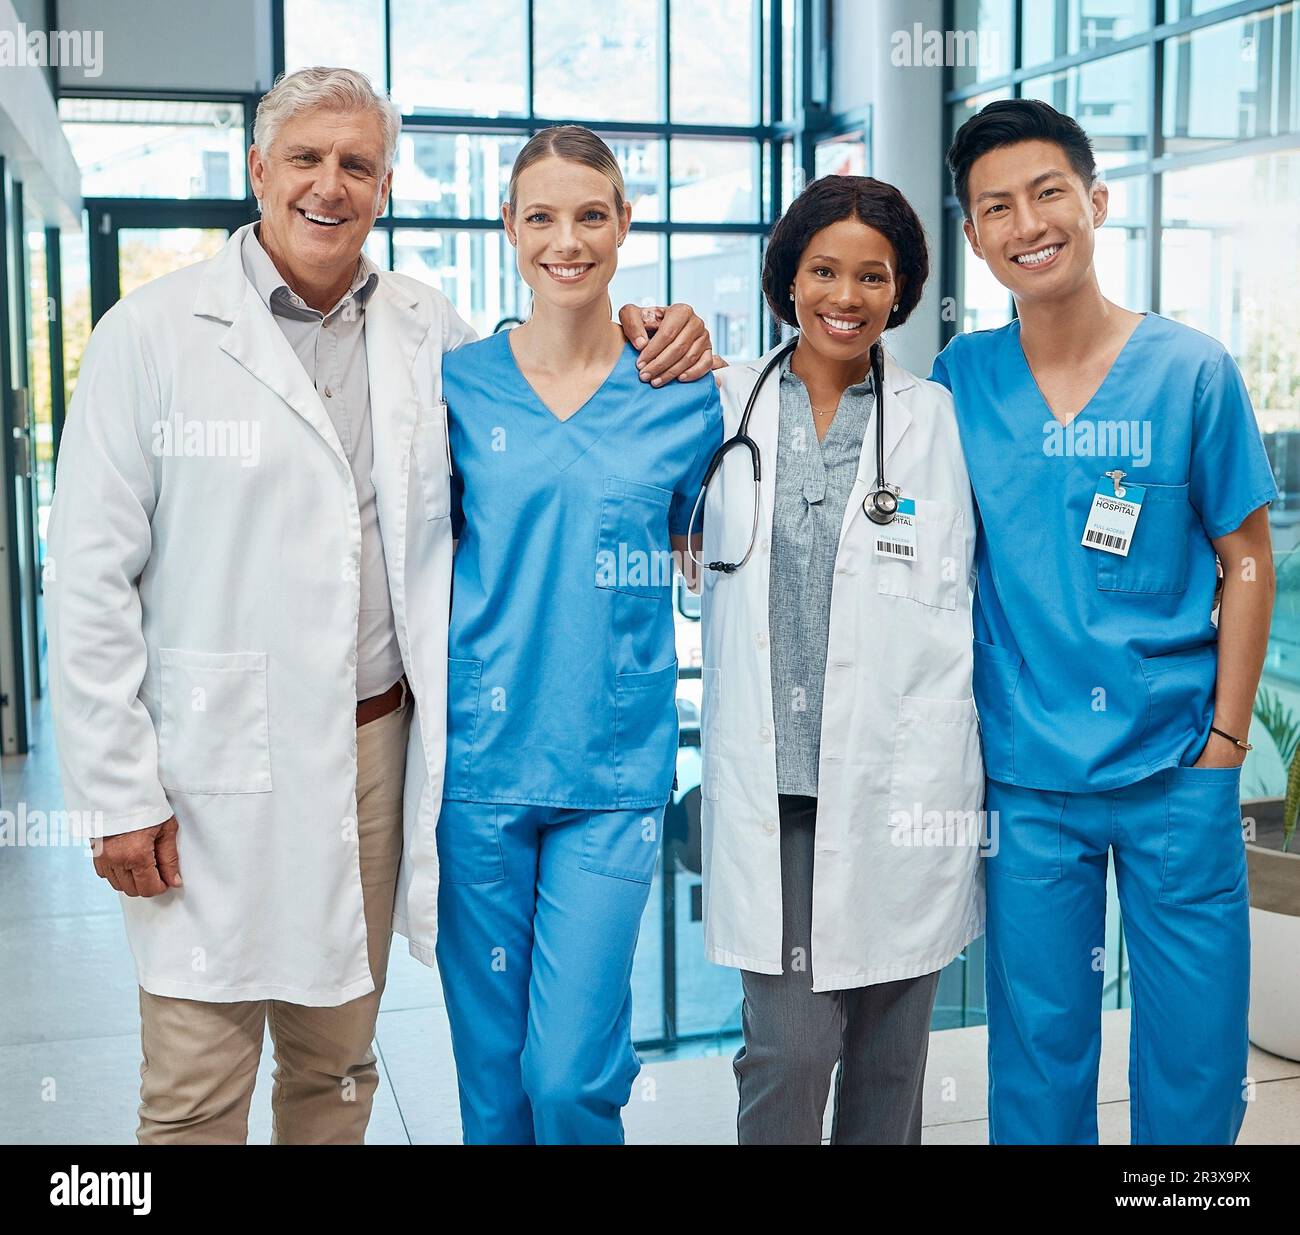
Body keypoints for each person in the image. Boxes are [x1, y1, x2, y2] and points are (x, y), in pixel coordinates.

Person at [45, 68, 713, 1145]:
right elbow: (86, 580)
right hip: (209, 757)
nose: (329, 183)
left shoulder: (428, 333)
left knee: (339, 1062)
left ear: (385, 185)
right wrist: (116, 789)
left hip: (379, 749)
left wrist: (655, 324)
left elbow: (559, 377)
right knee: (196, 1084)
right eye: (305, 158)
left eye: (356, 163)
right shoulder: (152, 334)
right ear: (258, 170)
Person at [934, 98, 1277, 1144]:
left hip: (1178, 761)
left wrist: (1224, 741)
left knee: (1197, 1045)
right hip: (1029, 775)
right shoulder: (960, 381)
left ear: (1096, 201)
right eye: (996, 206)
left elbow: (1247, 558)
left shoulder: (1191, 371)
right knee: (1039, 1049)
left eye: (1047, 193)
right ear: (972, 234)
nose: (1026, 223)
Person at [435, 125, 724, 1145]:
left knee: (566, 1077)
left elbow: (715, 549)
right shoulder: (456, 386)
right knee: (494, 1082)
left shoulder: (683, 389)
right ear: (507, 226)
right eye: (543, 216)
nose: (568, 240)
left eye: (590, 215)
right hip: (478, 772)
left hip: (612, 770)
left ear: (624, 224)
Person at [696, 175, 984, 1144]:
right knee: (789, 1050)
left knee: (891, 1060)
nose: (846, 295)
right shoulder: (724, 401)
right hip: (776, 788)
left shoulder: (934, 419)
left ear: (900, 289)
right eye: (825, 269)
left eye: (873, 275)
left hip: (901, 783)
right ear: (788, 277)